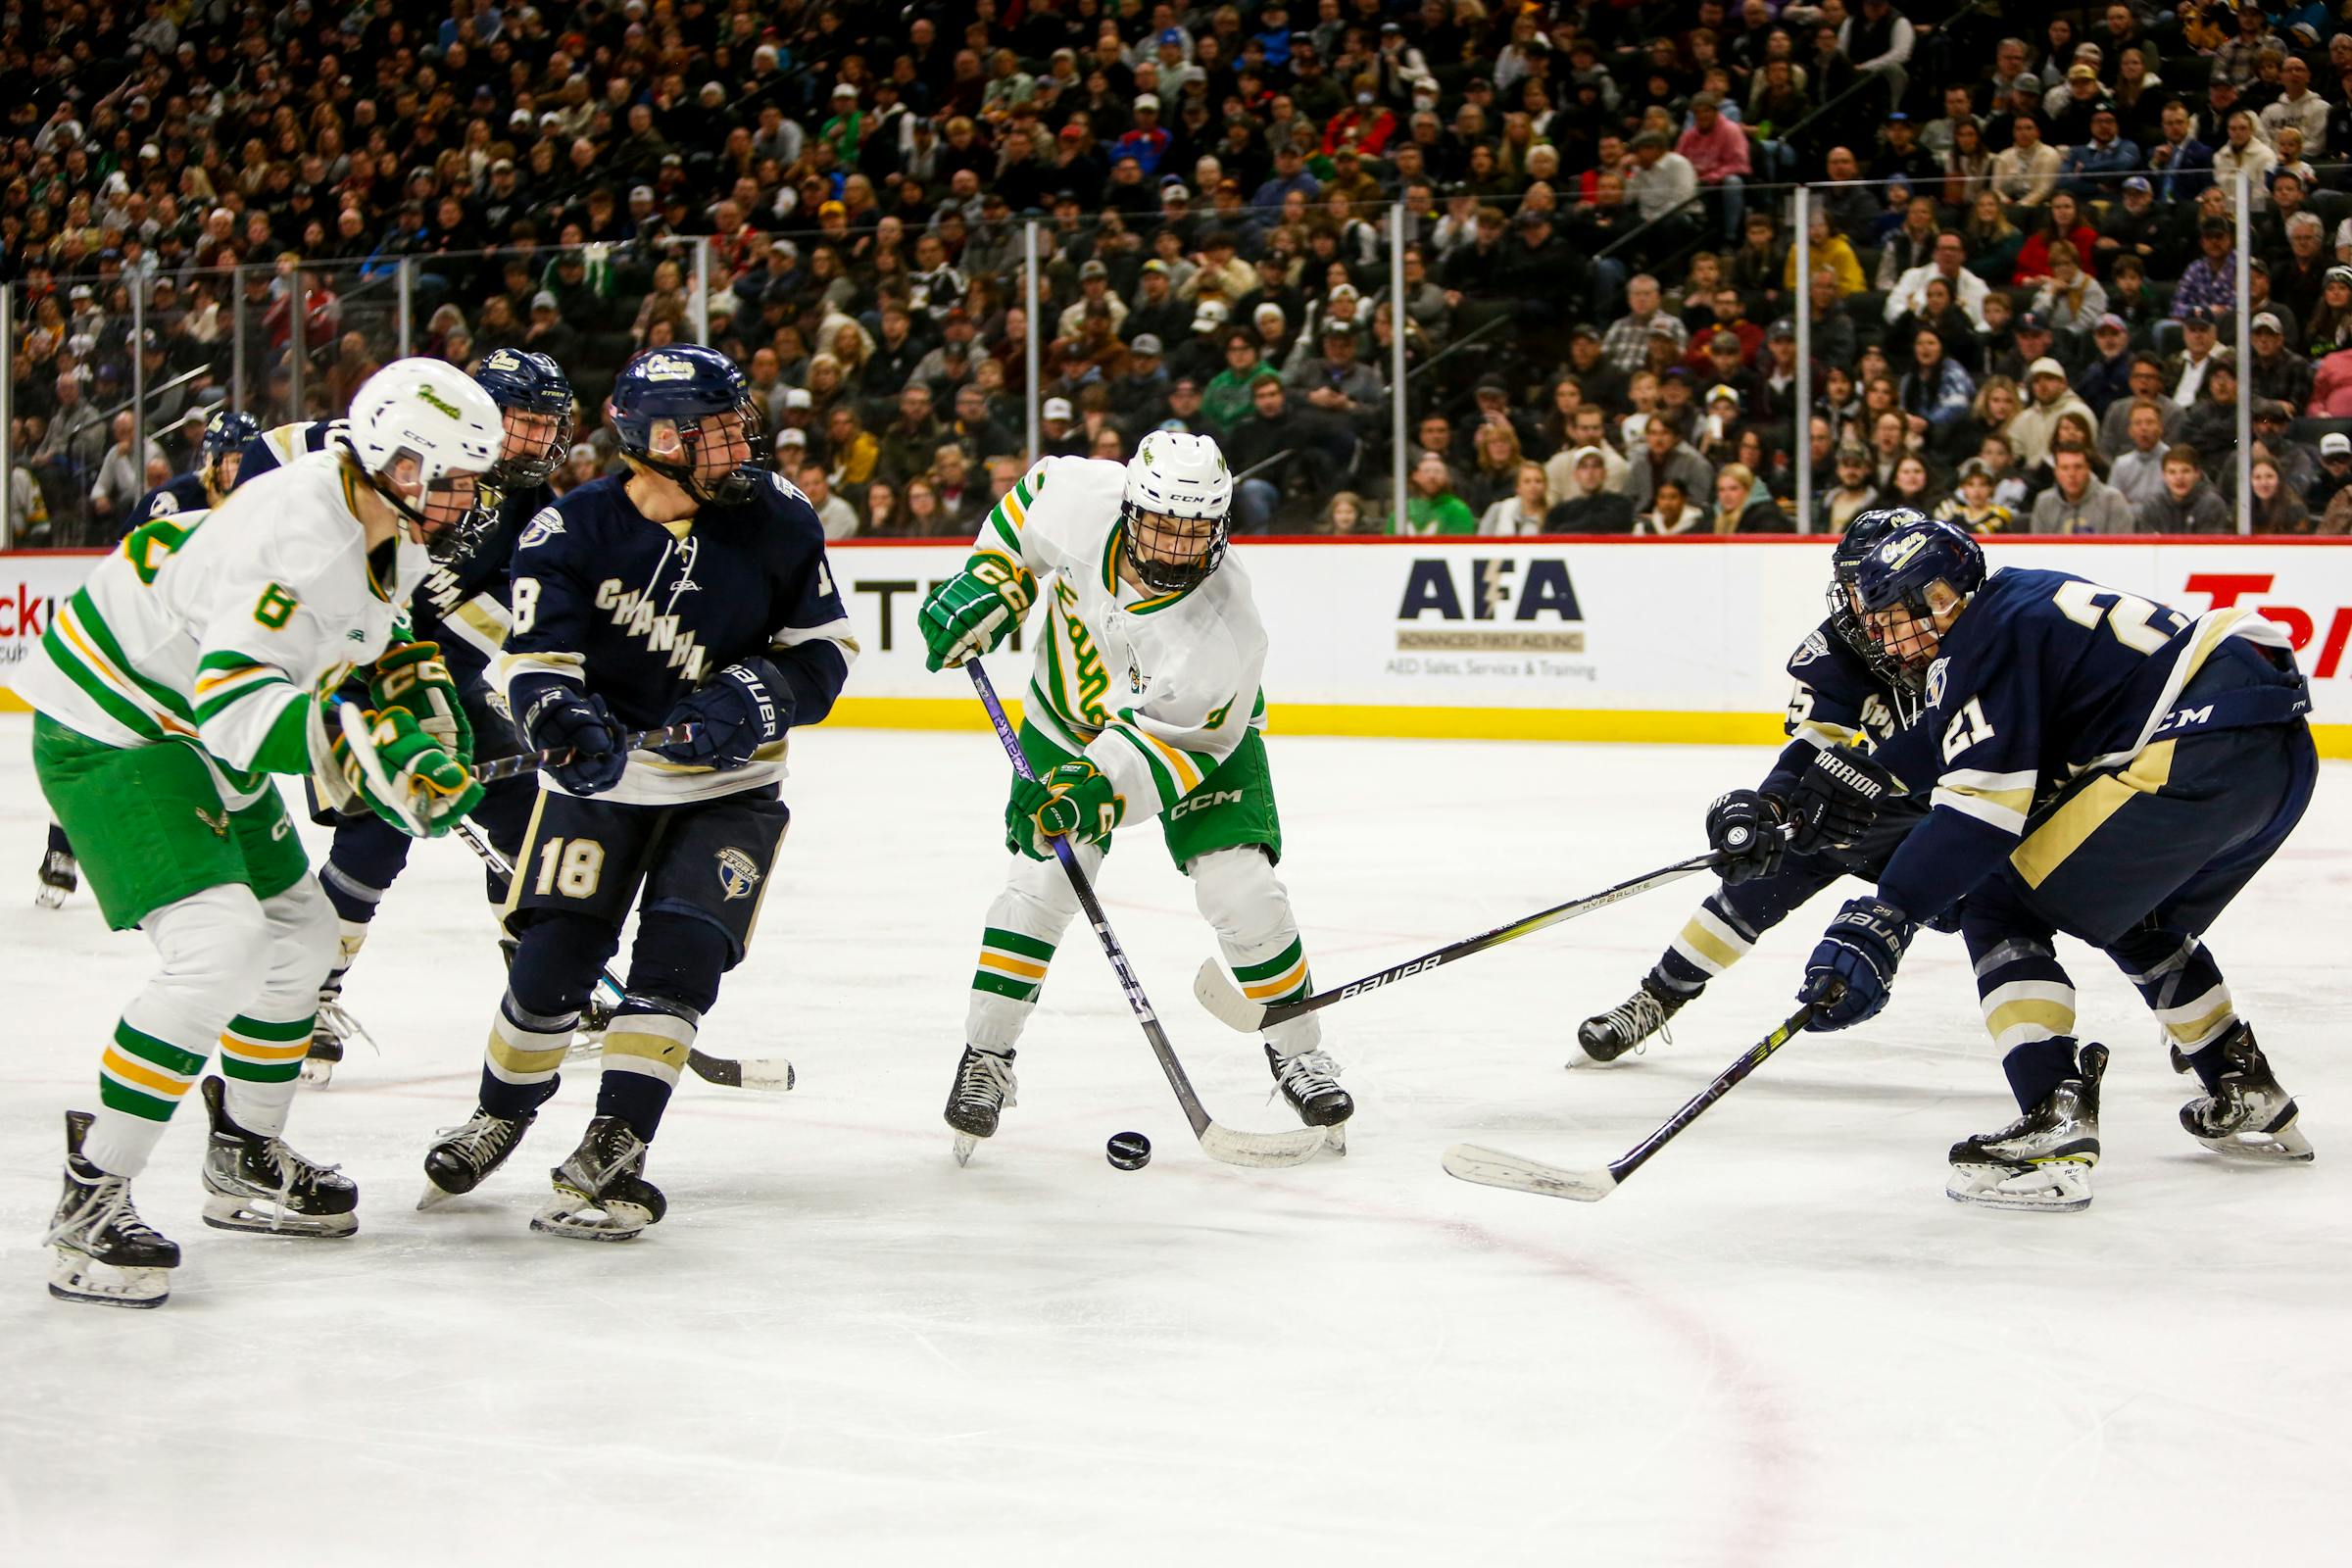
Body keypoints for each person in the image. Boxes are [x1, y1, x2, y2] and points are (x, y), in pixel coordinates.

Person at [17, 360, 503, 1307]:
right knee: (217, 948)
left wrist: (417, 708)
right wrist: (375, 757)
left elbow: (378, 634)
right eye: (445, 477)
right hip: (116, 723)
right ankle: (91, 1196)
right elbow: (239, 705)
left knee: (303, 937)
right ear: (394, 464)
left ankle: (243, 1155)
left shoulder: (379, 514)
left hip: (188, 719)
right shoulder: (299, 538)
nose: (463, 498)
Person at [417, 346, 856, 1240]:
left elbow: (827, 653)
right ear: (654, 439)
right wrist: (561, 721)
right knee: (548, 970)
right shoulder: (567, 532)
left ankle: (619, 1139)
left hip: (732, 788)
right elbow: (535, 664)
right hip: (607, 791)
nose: (740, 446)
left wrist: (753, 696)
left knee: (681, 961)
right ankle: (501, 1111)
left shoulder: (779, 520)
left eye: (740, 427)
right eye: (717, 431)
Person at [1798, 516, 2316, 1210]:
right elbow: (1941, 745)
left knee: (1997, 899)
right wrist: (1852, 780)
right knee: (2138, 913)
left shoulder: (1983, 640)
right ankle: (2239, 1080)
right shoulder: (2015, 609)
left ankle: (2052, 1109)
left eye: (1892, 616)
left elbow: (1981, 816)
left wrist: (1885, 916)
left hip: (2193, 752)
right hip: (2276, 755)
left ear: (1939, 599)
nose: (1883, 637)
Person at [913, 430, 1352, 1158]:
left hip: (1196, 739)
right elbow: (1024, 513)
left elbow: (1172, 747)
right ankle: (986, 1055)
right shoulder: (1082, 497)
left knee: (1242, 890)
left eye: (1195, 532)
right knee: (1041, 883)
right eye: (1161, 526)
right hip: (1066, 720)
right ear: (1129, 509)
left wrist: (1096, 790)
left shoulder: (1227, 628)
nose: (1177, 549)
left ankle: (1298, 1049)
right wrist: (994, 581)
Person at [303, 350, 574, 1083]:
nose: (539, 441)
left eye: (548, 426)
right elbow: (292, 457)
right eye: (525, 422)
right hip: (343, 666)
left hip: (437, 674)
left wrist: (426, 700)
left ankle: (538, 979)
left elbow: (490, 626)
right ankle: (303, 1000)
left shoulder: (536, 507)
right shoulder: (411, 448)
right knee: (378, 832)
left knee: (526, 814)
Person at [1577, 511, 1918, 1062]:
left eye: (1872, 588)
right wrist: (1769, 805)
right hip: (1857, 803)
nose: (1860, 604)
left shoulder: (1967, 642)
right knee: (1758, 877)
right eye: (1852, 586)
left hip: (1943, 814)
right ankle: (1656, 999)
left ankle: (2042, 1061)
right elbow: (1813, 743)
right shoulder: (1839, 649)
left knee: (1997, 916)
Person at [2030, 446, 2136, 534]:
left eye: (2078, 467)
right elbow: (2039, 552)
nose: (2071, 474)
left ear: (2088, 469)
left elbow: (2122, 551)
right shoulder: (2044, 503)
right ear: (2056, 472)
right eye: (2065, 468)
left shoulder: (2112, 500)